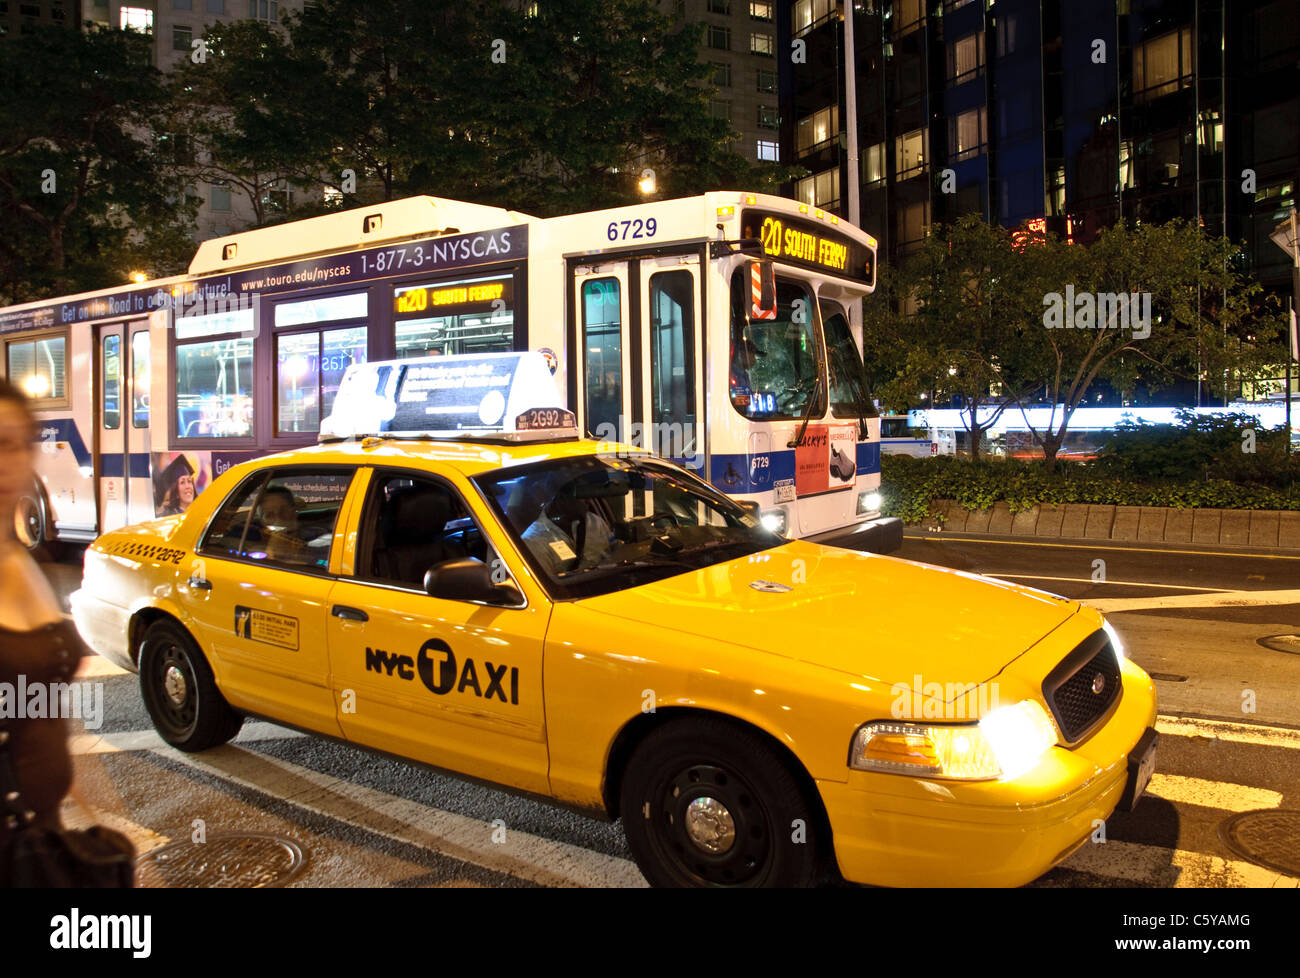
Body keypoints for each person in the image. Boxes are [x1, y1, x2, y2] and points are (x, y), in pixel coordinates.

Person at [0, 379, 86, 883]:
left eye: (17, 444)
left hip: (40, 841)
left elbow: (35, 705)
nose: (7, 462)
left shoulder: (24, 555)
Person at [253, 485, 306, 564]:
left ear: (294, 511)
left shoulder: (317, 536)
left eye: (284, 510)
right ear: (262, 522)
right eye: (269, 514)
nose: (278, 517)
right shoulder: (256, 553)